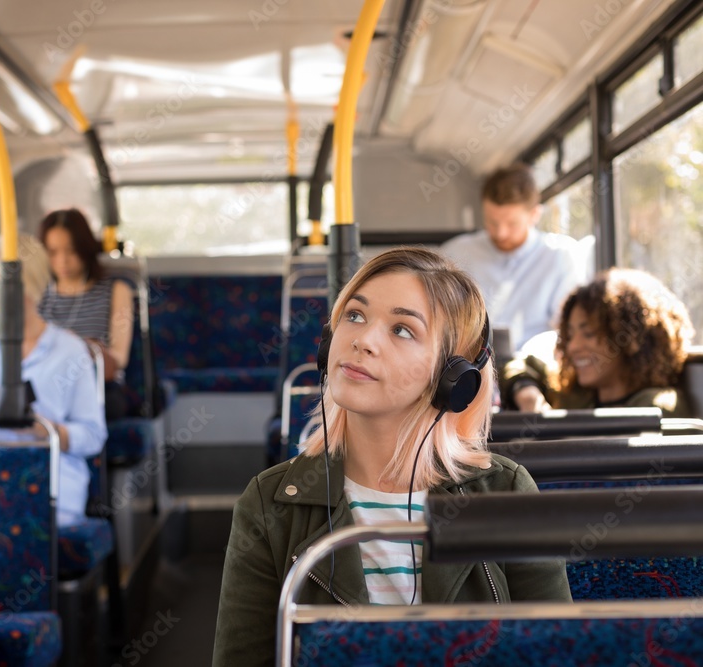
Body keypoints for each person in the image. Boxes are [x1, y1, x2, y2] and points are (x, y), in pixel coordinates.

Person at [213, 247, 571, 666]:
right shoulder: (270, 504)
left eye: (402, 329)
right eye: (355, 316)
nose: (362, 340)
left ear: (450, 379)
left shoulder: (507, 494)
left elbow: (554, 653)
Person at [0, 233, 107, 528]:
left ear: (37, 286)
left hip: (50, 486)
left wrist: (46, 430)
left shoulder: (71, 351)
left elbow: (93, 436)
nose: (5, 296)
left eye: (15, 286)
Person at [503, 268, 696, 417]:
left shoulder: (659, 407)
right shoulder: (576, 395)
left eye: (589, 334)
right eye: (570, 335)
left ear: (631, 338)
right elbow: (522, 365)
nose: (572, 346)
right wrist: (527, 393)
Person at [441, 163, 583, 351]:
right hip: (467, 366)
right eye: (492, 222)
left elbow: (567, 328)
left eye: (512, 224)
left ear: (535, 215)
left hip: (537, 367)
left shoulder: (560, 256)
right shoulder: (455, 253)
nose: (501, 233)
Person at [38, 208, 135, 420]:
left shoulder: (117, 291)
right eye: (53, 252)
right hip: (46, 384)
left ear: (85, 248)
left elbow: (119, 358)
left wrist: (81, 348)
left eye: (71, 251)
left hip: (98, 385)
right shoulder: (37, 294)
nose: (62, 261)